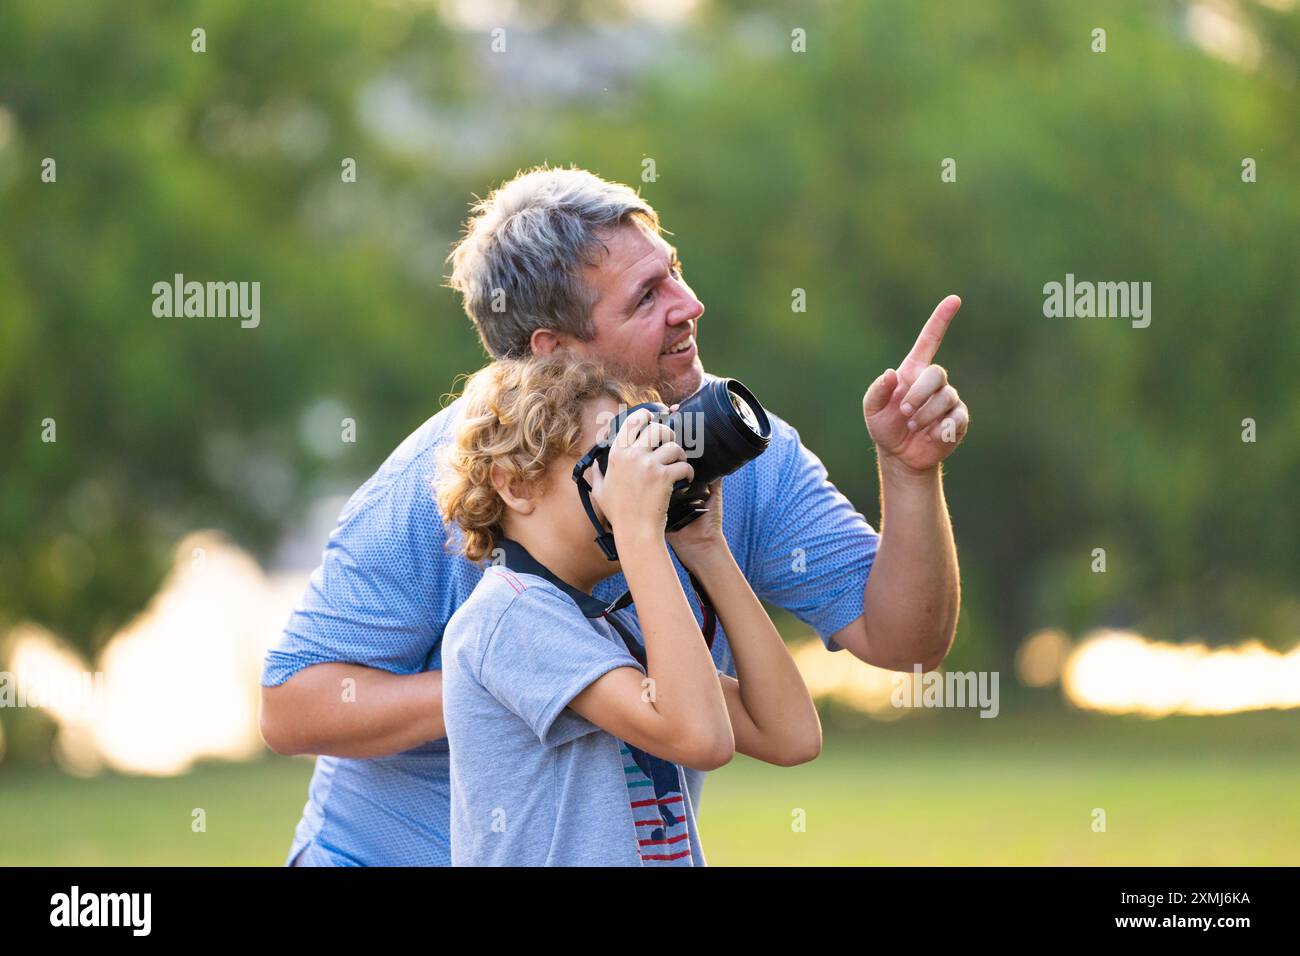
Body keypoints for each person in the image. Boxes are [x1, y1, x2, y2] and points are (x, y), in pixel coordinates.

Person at [260, 165, 970, 866]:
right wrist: (530, 682)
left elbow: (901, 646)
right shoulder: (449, 484)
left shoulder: (732, 450)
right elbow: (292, 707)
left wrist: (910, 473)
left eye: (676, 271)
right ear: (553, 351)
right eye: (646, 296)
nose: (689, 304)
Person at [437, 357, 820, 865]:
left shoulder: (602, 624)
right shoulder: (508, 615)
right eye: (611, 460)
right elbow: (700, 738)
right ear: (515, 485)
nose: (638, 482)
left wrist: (706, 546)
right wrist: (640, 531)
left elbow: (789, 733)